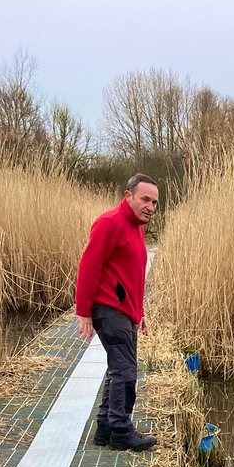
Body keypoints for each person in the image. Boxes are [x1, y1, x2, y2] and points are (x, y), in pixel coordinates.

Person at [75, 174, 158, 451]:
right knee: (125, 370)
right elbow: (89, 267)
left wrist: (140, 312)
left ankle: (106, 428)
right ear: (128, 196)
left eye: (155, 202)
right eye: (145, 199)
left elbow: (131, 276)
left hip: (124, 310)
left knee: (117, 368)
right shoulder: (110, 223)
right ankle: (122, 431)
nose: (150, 206)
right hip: (108, 308)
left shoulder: (137, 227)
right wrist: (83, 312)